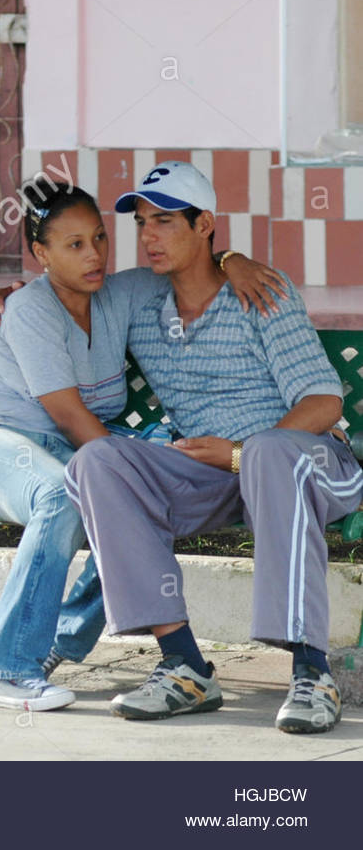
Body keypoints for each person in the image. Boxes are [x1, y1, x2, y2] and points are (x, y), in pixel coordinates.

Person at [0, 181, 278, 711]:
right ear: (41, 254)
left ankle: (57, 643)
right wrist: (122, 476)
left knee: (124, 499)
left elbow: (195, 264)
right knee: (81, 492)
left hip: (65, 455)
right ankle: (5, 670)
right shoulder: (30, 309)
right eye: (73, 244)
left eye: (99, 238)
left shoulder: (119, 295)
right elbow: (73, 419)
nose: (94, 254)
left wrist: (233, 259)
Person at [62, 161, 362, 733]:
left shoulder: (261, 293)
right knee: (98, 462)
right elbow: (62, 285)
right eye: (142, 223)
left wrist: (243, 454)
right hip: (216, 479)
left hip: (311, 465)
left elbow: (324, 405)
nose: (148, 236)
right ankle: (184, 665)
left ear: (205, 224)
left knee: (272, 454)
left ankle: (311, 672)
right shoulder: (141, 304)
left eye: (165, 222)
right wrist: (9, 295)